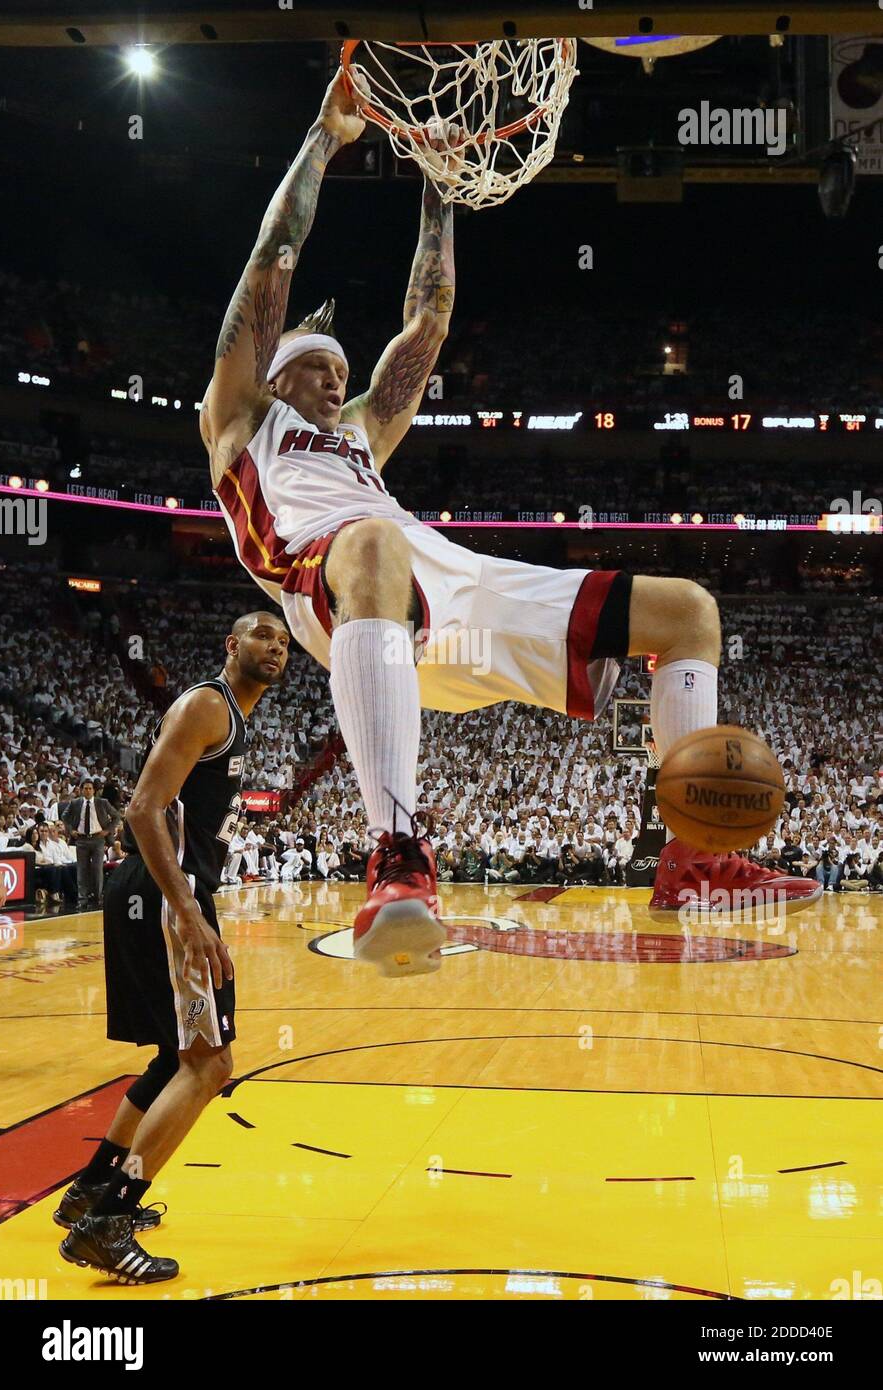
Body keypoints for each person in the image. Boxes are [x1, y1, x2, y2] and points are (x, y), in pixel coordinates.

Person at [202, 67, 821, 978]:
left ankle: (688, 861)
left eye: (343, 370)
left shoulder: (366, 435)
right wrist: (326, 140)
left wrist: (437, 183)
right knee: (374, 540)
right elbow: (272, 257)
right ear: (277, 374)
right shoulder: (242, 420)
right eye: (320, 367)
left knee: (687, 610)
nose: (339, 380)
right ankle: (399, 858)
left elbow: (427, 318)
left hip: (435, 583)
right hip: (330, 587)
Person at [57, 611, 289, 1285]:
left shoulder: (231, 720)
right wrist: (188, 910)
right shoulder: (207, 705)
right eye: (260, 635)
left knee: (176, 1056)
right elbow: (141, 807)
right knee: (210, 1065)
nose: (274, 646)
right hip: (166, 893)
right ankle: (111, 1222)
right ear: (231, 644)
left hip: (159, 891)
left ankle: (89, 1193)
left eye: (282, 641)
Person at [61, 779, 121, 911]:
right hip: (81, 840)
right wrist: (71, 830)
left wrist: (107, 831)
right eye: (85, 788)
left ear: (94, 790)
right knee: (82, 870)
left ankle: (97, 898)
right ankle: (82, 899)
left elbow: (116, 816)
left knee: (97, 870)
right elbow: (64, 817)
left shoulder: (102, 802)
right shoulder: (75, 803)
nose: (87, 791)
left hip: (98, 839)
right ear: (81, 790)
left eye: (90, 788)